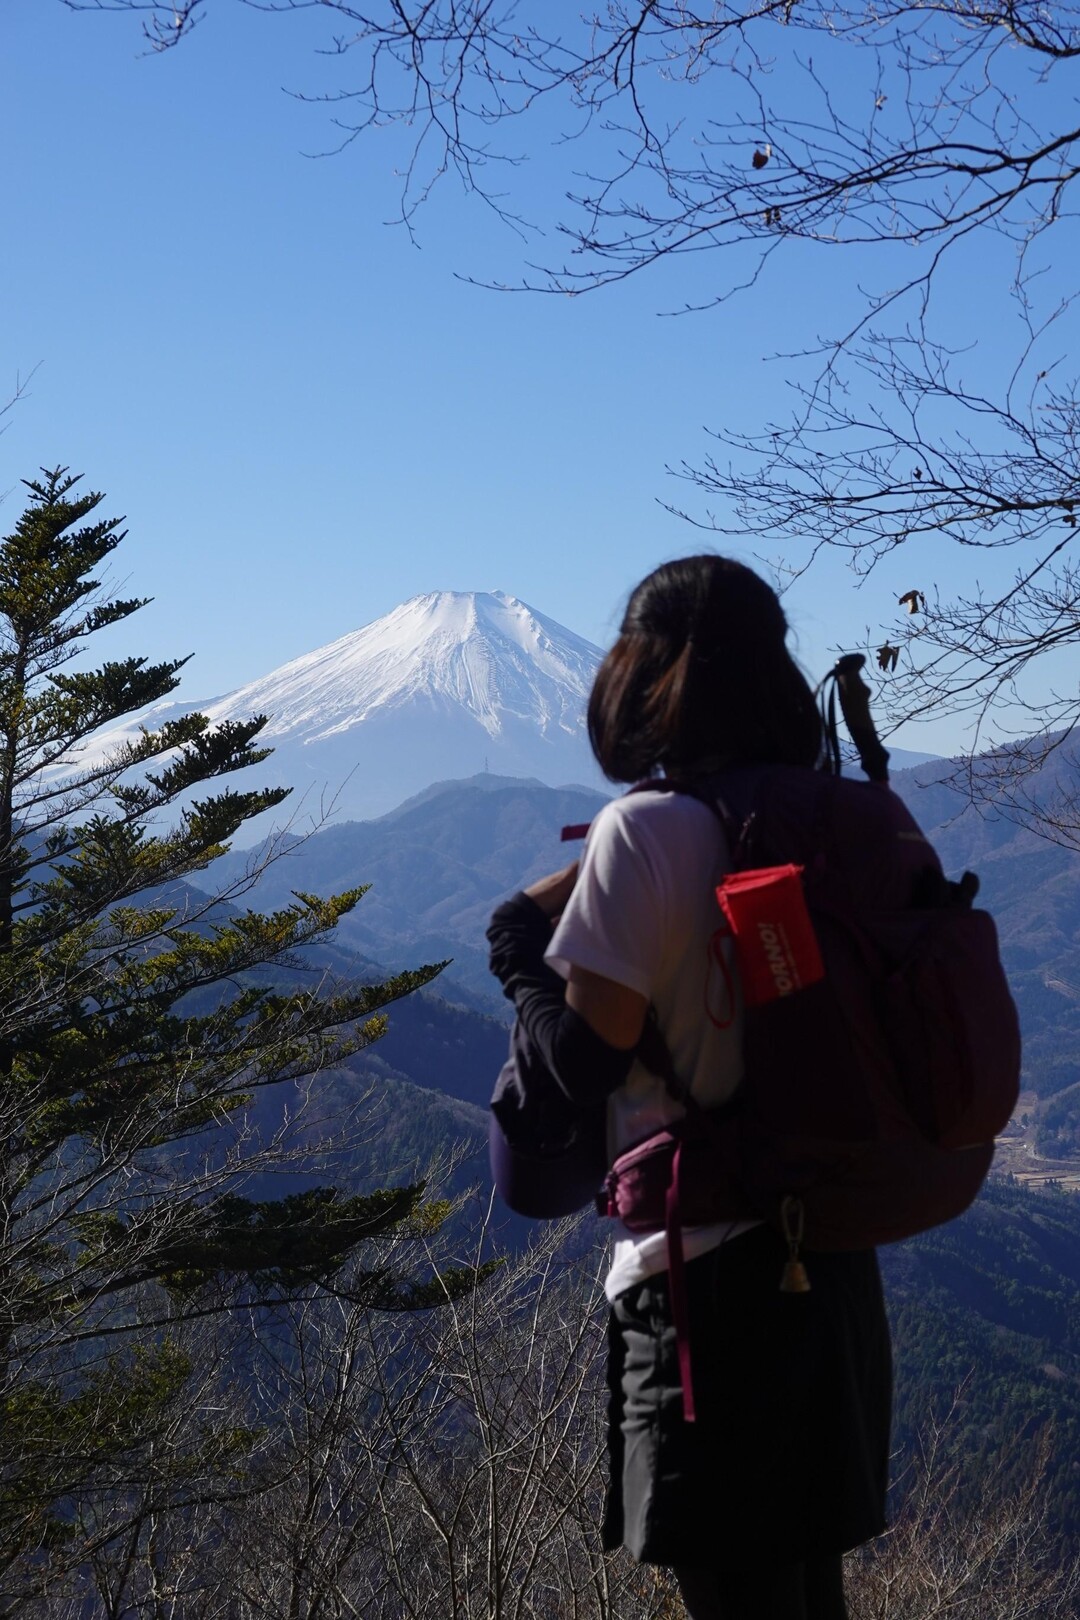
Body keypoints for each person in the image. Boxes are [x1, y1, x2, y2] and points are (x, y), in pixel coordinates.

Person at [486, 556, 891, 1620]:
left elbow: (585, 1063)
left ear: (643, 673)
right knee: (811, 1598)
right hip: (834, 1271)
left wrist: (516, 954)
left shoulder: (646, 832)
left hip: (706, 1290)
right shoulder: (829, 814)